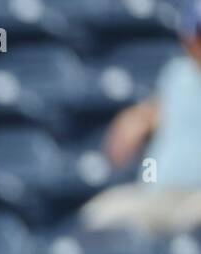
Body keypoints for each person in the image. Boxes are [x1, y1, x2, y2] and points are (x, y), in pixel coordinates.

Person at [83, 0, 201, 234]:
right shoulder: (177, 74)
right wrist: (136, 119)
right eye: (197, 33)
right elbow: (156, 112)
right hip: (159, 195)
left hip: (196, 196)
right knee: (98, 215)